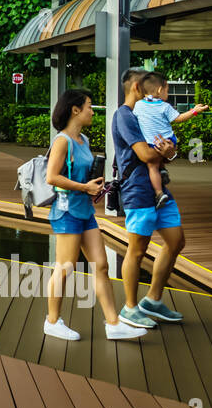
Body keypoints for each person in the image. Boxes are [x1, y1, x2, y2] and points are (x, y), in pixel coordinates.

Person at [42, 88, 148, 341]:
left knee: (101, 265)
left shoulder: (84, 140)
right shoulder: (62, 141)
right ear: (75, 109)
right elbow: (52, 178)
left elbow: (79, 174)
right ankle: (52, 321)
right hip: (66, 212)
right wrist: (83, 187)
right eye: (89, 106)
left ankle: (113, 324)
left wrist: (93, 188)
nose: (92, 110)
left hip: (85, 210)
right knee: (65, 267)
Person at [112, 67, 186, 327]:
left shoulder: (146, 112)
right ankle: (129, 308)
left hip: (158, 189)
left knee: (176, 241)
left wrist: (169, 152)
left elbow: (168, 149)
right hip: (137, 190)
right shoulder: (124, 115)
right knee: (137, 250)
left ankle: (152, 300)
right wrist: (165, 152)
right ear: (136, 88)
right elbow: (145, 155)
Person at [133, 71, 208, 208]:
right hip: (169, 141)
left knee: (152, 166)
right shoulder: (164, 106)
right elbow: (178, 118)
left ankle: (159, 193)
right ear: (160, 90)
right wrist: (194, 111)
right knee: (158, 163)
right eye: (167, 90)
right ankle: (162, 178)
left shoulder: (138, 106)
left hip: (152, 144)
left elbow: (135, 121)